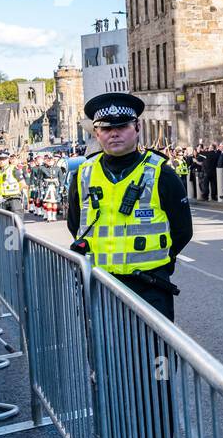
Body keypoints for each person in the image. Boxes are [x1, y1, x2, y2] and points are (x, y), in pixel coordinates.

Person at [67, 93, 193, 320]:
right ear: (96, 132)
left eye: (122, 126)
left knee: (154, 353)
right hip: (100, 283)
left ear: (137, 127)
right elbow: (74, 223)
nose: (114, 133)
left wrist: (161, 261)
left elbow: (183, 230)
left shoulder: (161, 172)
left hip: (150, 286)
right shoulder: (83, 175)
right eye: (106, 128)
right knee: (106, 352)